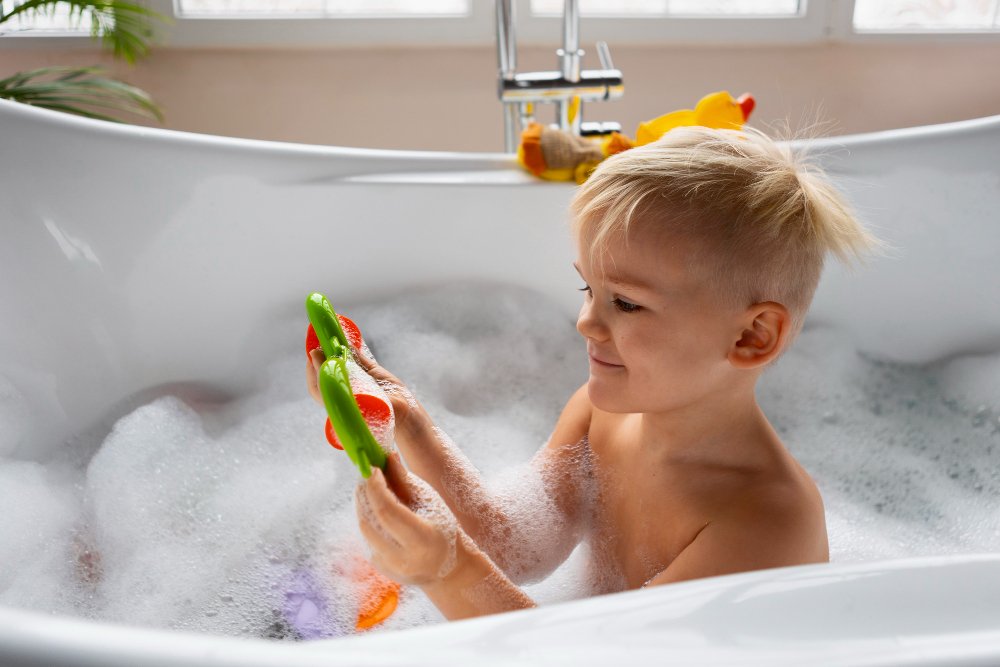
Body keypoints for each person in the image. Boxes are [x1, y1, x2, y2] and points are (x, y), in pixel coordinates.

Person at [307, 126, 881, 621]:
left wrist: (446, 571)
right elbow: (512, 548)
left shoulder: (763, 523)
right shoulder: (603, 410)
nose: (585, 322)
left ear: (751, 337)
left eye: (625, 304)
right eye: (588, 288)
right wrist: (406, 423)